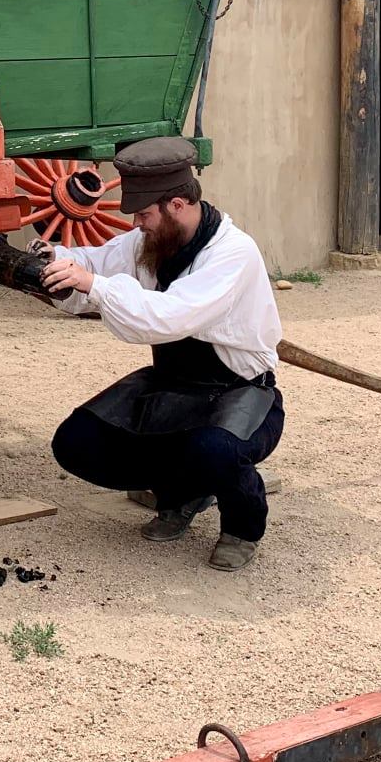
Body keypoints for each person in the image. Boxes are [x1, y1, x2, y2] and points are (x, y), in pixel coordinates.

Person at [42, 136, 285, 571]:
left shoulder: (233, 253)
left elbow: (169, 316)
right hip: (172, 387)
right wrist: (53, 260)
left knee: (215, 449)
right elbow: (94, 262)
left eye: (145, 214)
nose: (138, 224)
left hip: (239, 392)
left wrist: (93, 287)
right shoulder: (148, 242)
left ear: (177, 204)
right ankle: (182, 492)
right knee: (76, 442)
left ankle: (242, 526)